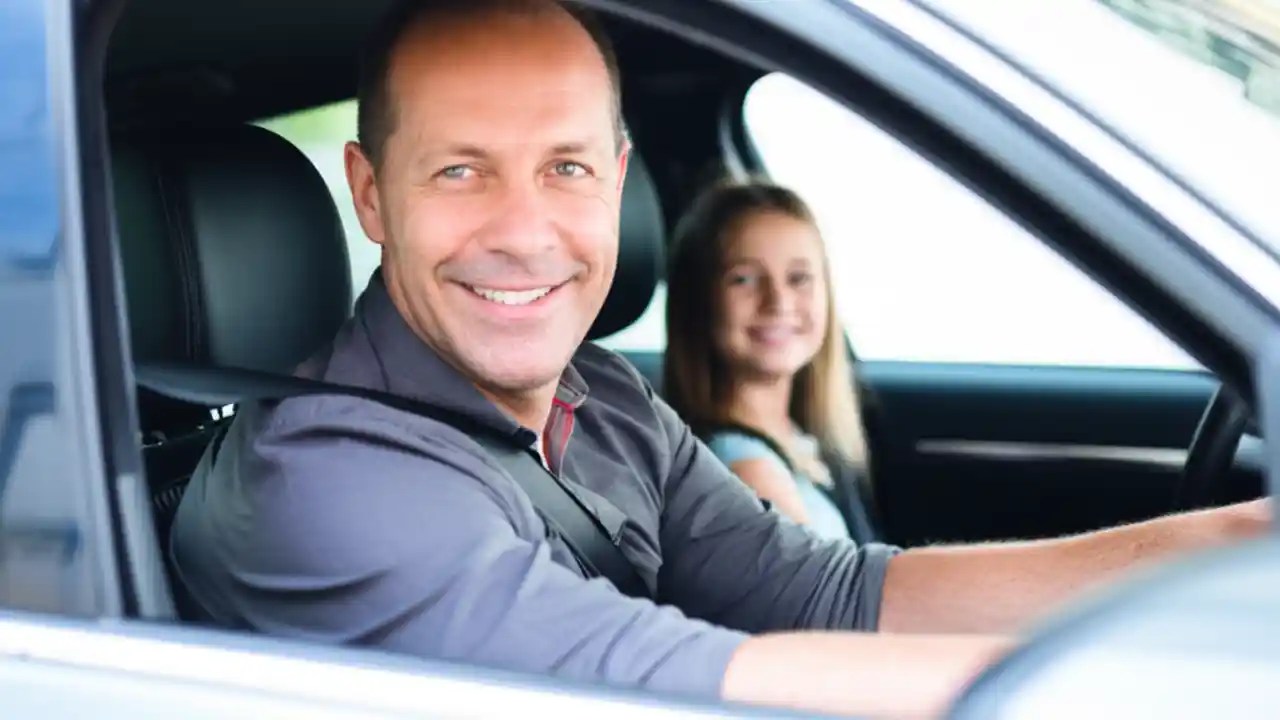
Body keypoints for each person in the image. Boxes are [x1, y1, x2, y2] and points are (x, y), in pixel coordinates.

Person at [169, 1, 1271, 717]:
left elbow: (828, 594)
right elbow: (658, 685)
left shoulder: (602, 398)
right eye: (460, 171)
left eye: (563, 167)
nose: (520, 230)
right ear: (370, 194)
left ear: (618, 178)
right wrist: (1192, 687)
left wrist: (1226, 544)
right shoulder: (321, 476)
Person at [665, 179, 873, 541]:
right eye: (743, 279)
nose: (778, 300)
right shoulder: (745, 468)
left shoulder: (794, 439)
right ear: (699, 302)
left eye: (799, 278)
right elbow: (832, 596)